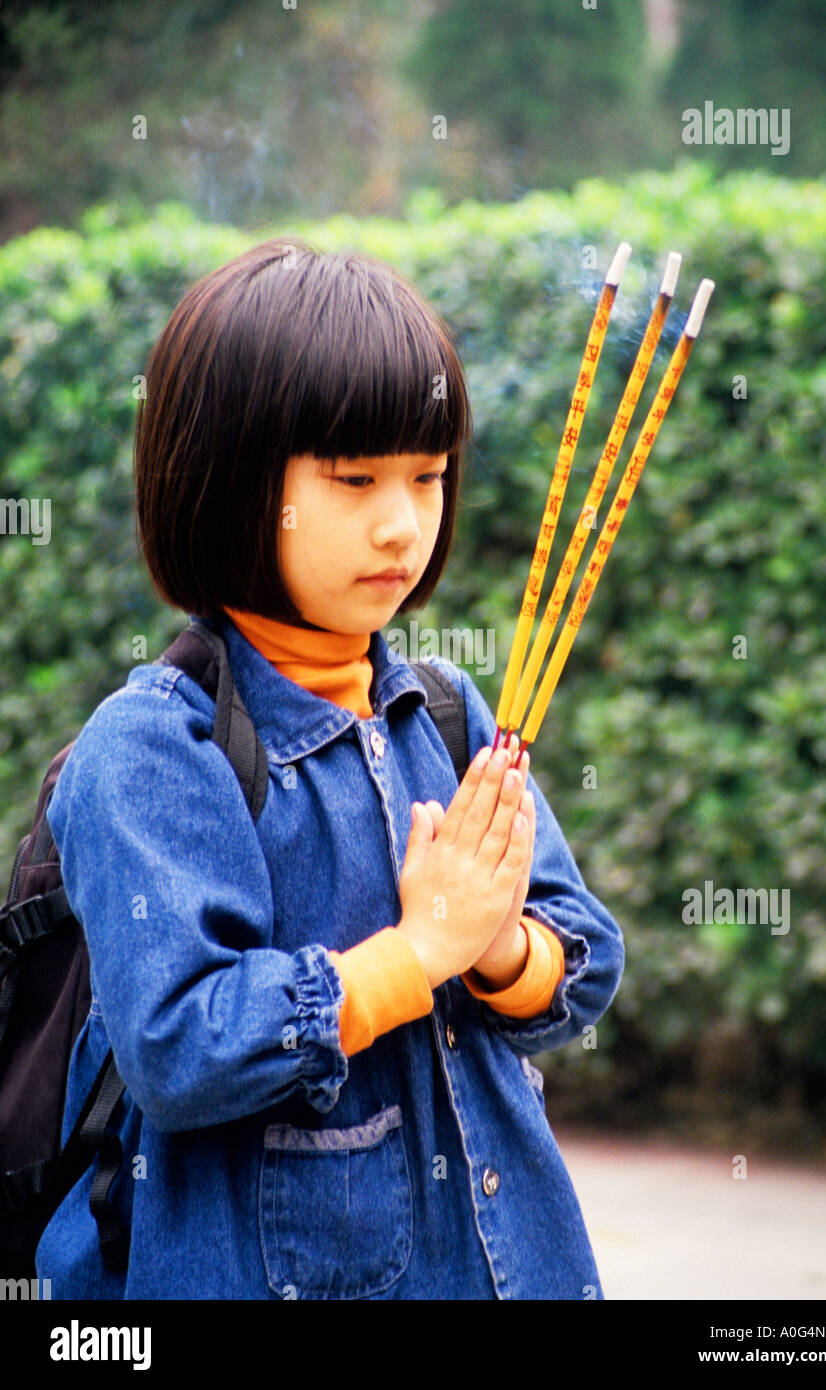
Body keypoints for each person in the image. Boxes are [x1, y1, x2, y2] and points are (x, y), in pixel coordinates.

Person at [36, 238, 625, 1300]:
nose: (402, 525)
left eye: (428, 477)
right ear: (224, 479)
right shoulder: (155, 749)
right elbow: (180, 1045)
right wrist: (416, 953)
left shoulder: (442, 712)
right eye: (353, 481)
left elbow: (581, 957)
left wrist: (497, 949)